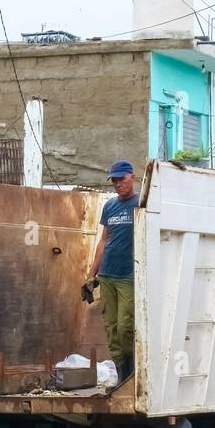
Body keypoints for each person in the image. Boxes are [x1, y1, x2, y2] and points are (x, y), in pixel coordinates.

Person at [82, 160, 139, 381]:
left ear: (132, 177)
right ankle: (123, 379)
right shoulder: (110, 206)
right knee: (112, 329)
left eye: (121, 179)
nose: (118, 184)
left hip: (129, 277)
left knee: (125, 327)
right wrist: (91, 275)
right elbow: (104, 241)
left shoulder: (141, 204)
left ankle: (135, 373)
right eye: (114, 180)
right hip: (107, 276)